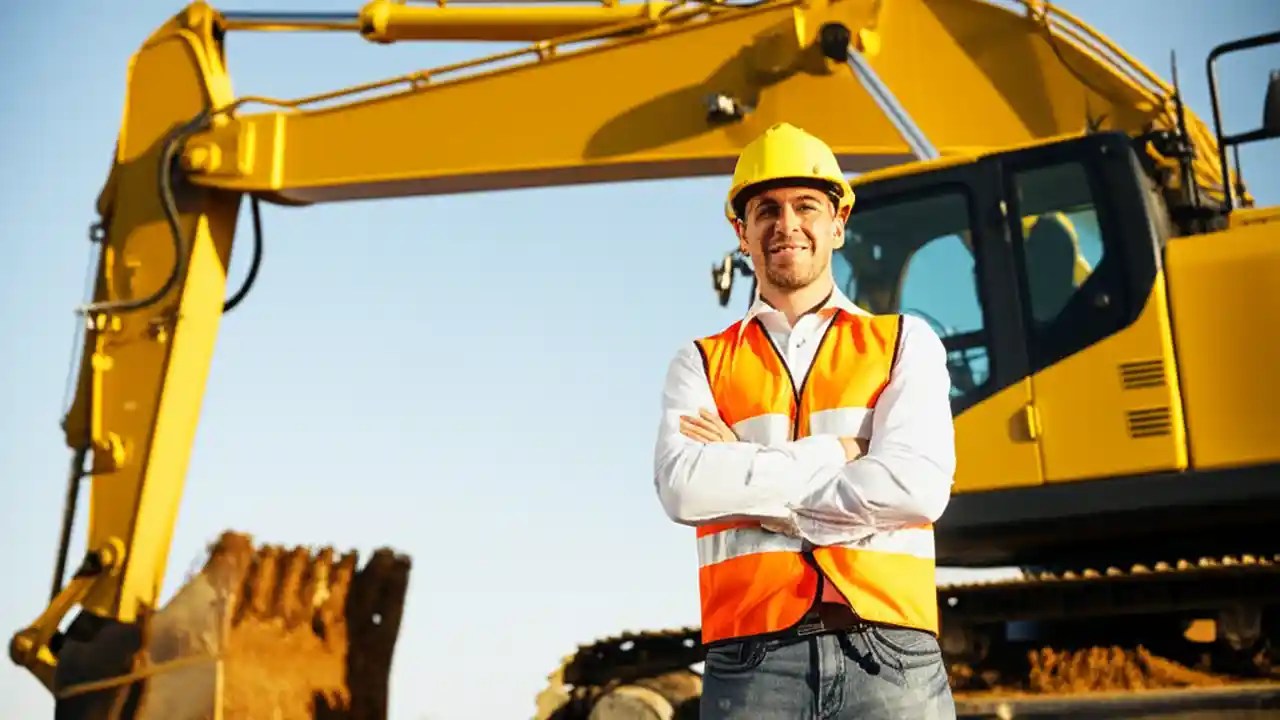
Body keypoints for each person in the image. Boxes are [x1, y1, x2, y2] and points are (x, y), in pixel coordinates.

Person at [652, 122, 958, 719]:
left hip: (891, 650)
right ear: (741, 233)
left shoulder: (902, 343)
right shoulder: (701, 362)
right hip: (750, 654)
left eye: (806, 207)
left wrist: (749, 480)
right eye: (765, 210)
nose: (786, 224)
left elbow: (916, 487)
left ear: (838, 224)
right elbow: (685, 488)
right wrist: (842, 452)